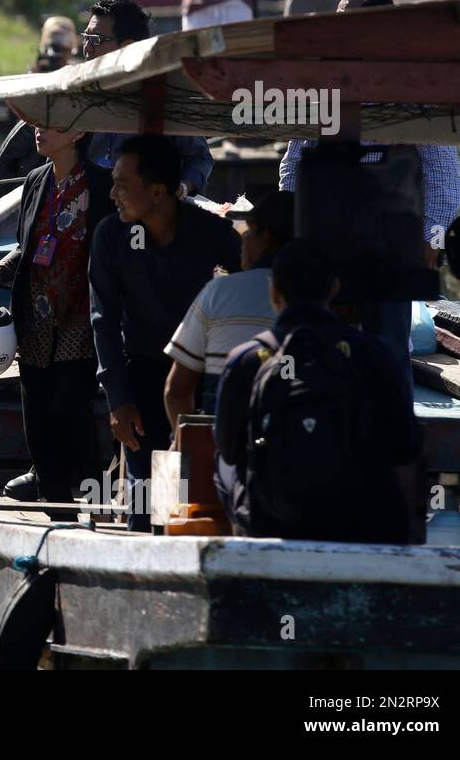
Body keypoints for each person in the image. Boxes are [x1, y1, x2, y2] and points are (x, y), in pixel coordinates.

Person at [277, 0, 460, 371]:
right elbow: (295, 163)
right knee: (320, 351)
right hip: (325, 242)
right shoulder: (323, 84)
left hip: (392, 246)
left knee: (388, 351)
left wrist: (433, 237)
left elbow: (443, 172)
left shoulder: (413, 88)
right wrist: (287, 225)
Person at [213, 239, 420, 543]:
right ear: (334, 289)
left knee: (221, 462)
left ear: (273, 293)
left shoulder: (246, 360)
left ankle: (246, 540)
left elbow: (230, 450)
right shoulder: (373, 355)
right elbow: (406, 446)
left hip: (271, 521)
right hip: (362, 521)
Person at [89, 135, 241, 531]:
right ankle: (145, 552)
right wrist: (117, 398)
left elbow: (254, 284)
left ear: (157, 192)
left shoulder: (210, 232)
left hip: (202, 378)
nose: (112, 194)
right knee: (146, 493)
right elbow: (103, 318)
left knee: (188, 491)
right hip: (140, 370)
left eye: (122, 185)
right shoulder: (111, 236)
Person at [0, 126, 113, 510]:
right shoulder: (36, 179)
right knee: (36, 408)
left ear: (78, 134)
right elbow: (27, 246)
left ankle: (93, 492)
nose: (39, 131)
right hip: (35, 311)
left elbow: (114, 249)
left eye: (51, 126)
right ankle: (52, 495)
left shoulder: (102, 185)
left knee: (72, 405)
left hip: (79, 312)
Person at [163, 190, 292, 428]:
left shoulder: (220, 292)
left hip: (225, 453)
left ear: (266, 238)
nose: (243, 239)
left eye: (250, 231)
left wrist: (184, 446)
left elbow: (176, 392)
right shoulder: (325, 296)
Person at [79, 0, 214, 195]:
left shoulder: (164, 97)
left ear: (127, 47)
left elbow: (199, 158)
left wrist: (182, 187)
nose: (87, 48)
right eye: (86, 38)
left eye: (96, 40)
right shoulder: (76, 93)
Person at [0, 16, 77, 190]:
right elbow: (14, 132)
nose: (56, 54)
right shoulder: (27, 79)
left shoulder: (76, 79)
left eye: (61, 48)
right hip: (27, 163)